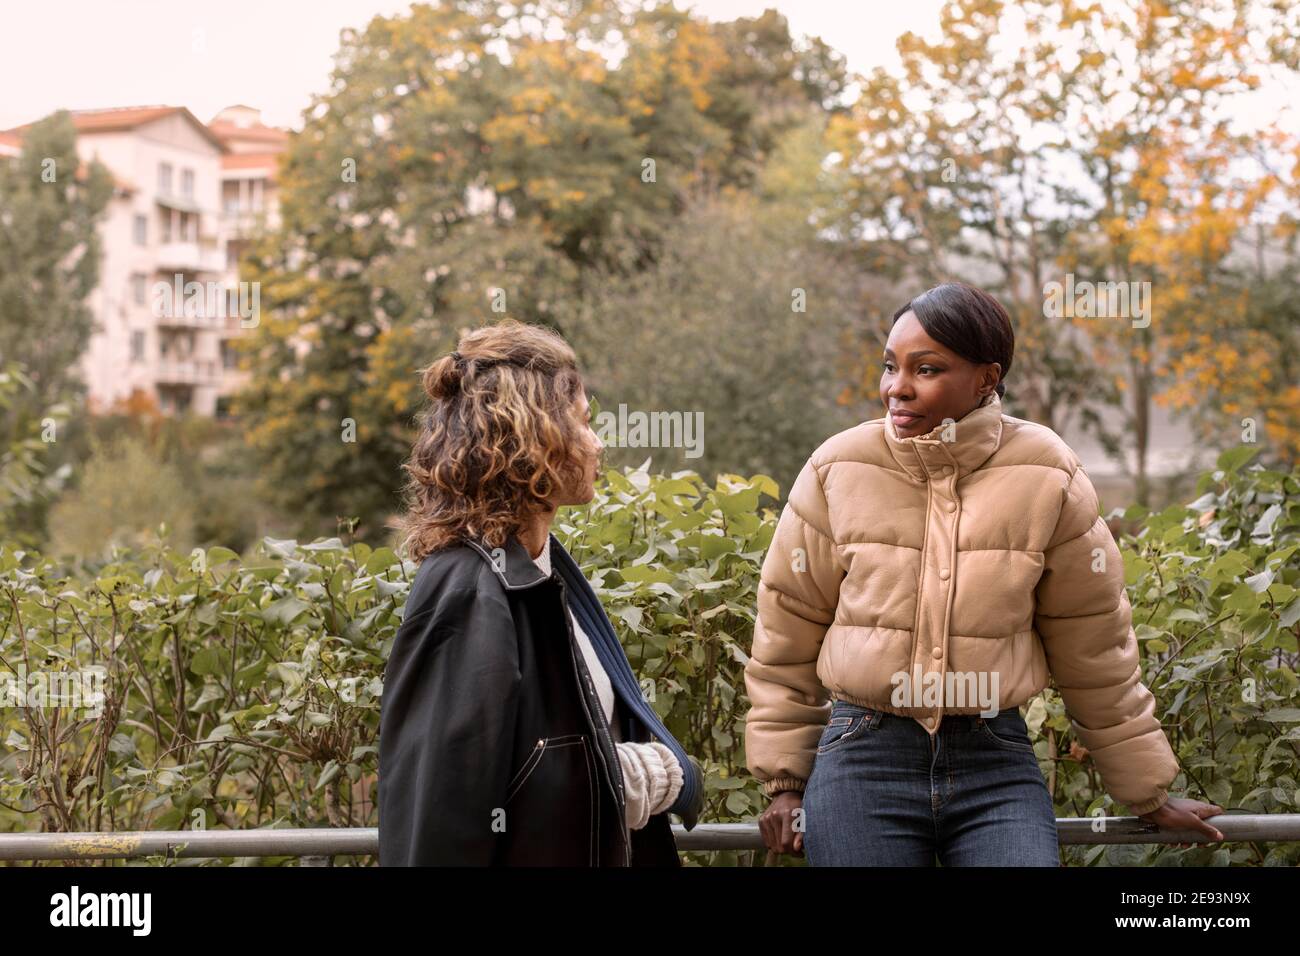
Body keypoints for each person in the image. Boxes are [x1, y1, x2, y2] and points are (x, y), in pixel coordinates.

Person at [744, 282, 1224, 866]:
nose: (897, 386)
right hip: (861, 755)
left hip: (994, 759)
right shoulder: (836, 468)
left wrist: (1146, 791)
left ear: (987, 377)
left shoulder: (1047, 472)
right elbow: (785, 634)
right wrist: (786, 782)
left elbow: (1094, 648)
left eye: (926, 369)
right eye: (890, 366)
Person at [379, 319, 702, 866]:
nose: (597, 443)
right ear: (535, 440)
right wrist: (652, 775)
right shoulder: (466, 588)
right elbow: (443, 805)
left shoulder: (538, 571)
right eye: (582, 423)